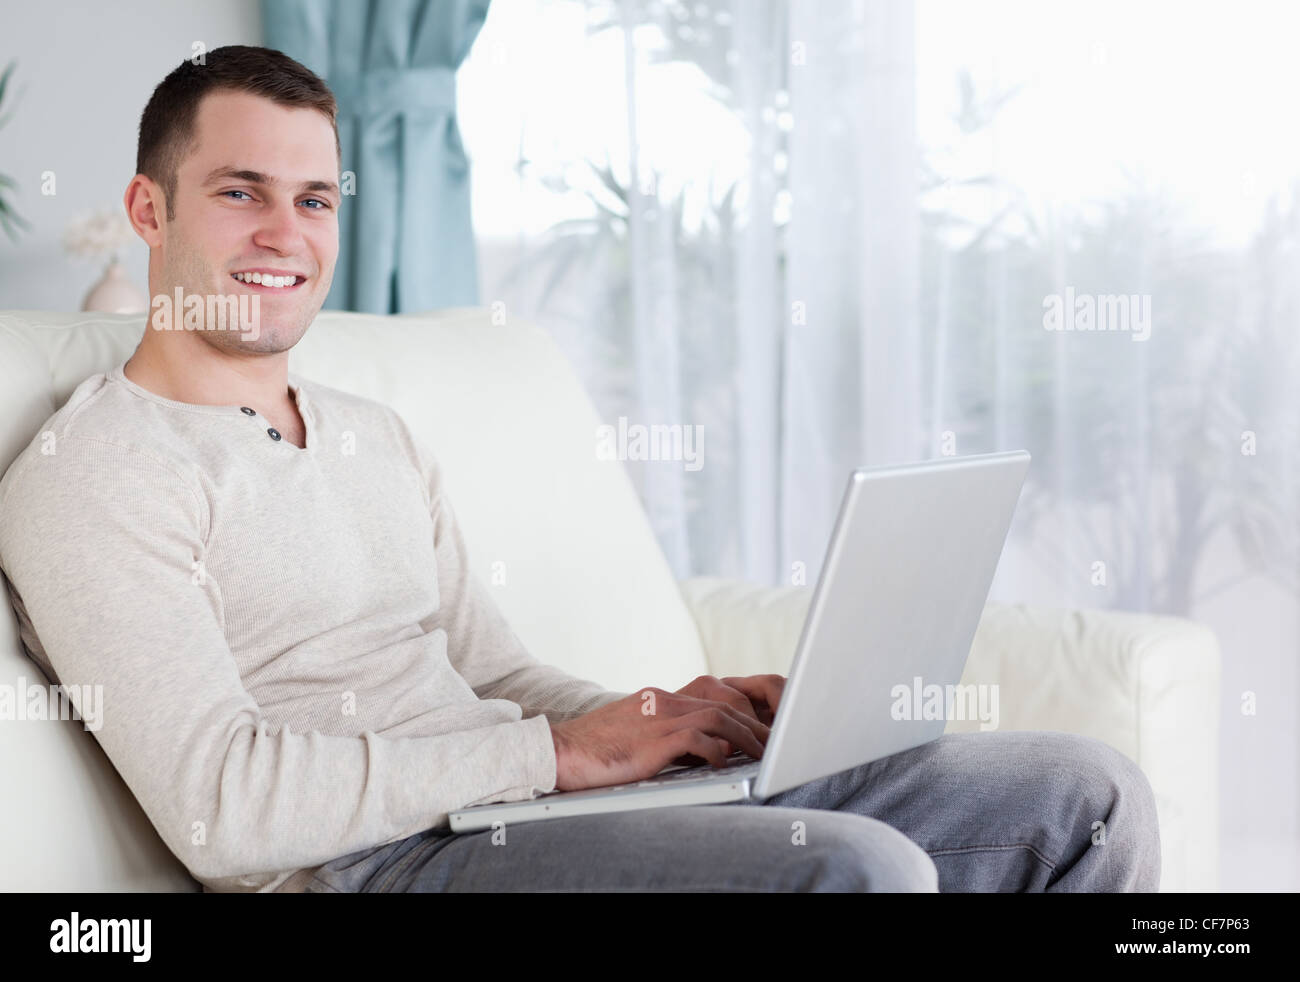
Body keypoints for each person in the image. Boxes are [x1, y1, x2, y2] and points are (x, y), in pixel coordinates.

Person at [0, 45, 1160, 893]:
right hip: (378, 865)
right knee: (854, 872)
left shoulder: (372, 432)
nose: (284, 234)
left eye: (313, 199)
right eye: (239, 191)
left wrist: (659, 718)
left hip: (518, 804)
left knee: (1081, 796)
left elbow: (492, 668)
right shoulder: (95, 472)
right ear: (148, 209)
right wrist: (559, 756)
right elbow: (220, 803)